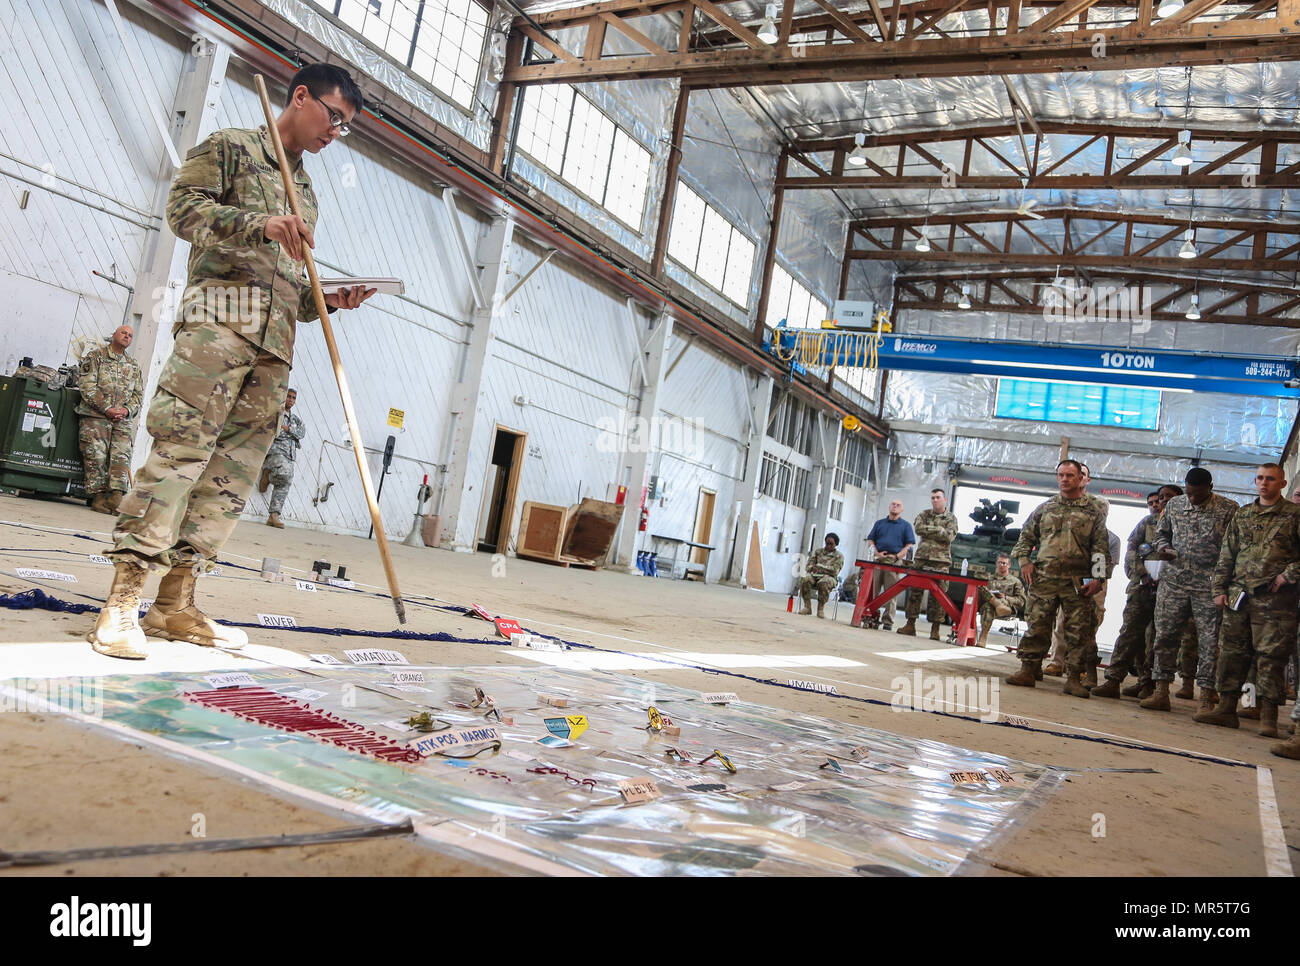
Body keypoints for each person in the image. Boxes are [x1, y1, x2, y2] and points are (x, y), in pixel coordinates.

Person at [86, 64, 377, 659]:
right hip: (217, 332)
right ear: (301, 97)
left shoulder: (307, 193)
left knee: (230, 479)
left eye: (345, 127)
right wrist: (260, 223)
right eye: (334, 118)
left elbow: (289, 290)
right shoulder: (231, 148)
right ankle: (121, 605)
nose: (335, 133)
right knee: (178, 458)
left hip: (272, 353)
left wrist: (328, 301)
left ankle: (174, 604)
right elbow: (182, 211)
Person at [1199, 463, 1300, 737]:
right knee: (1232, 654)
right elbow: (1227, 554)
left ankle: (1268, 716)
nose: (1264, 483)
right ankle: (1226, 709)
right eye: (1260, 478)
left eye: (1270, 479)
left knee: (1270, 658)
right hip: (1239, 597)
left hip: (1275, 601)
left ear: (1282, 483)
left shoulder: (1294, 516)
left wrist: (1289, 575)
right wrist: (1219, 588)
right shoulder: (1243, 514)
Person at [1005, 459, 1110, 697]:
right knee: (1037, 625)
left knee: (1078, 631)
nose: (1064, 479)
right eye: (1061, 475)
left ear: (1080, 479)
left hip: (1076, 583)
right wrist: (1025, 562)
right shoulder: (1045, 508)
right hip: (1044, 578)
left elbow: (1100, 548)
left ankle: (1073, 678)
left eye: (1070, 475)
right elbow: (1025, 538)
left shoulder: (1093, 512)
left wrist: (1098, 578)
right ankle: (1028, 670)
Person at [1143, 467, 1238, 713]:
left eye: (1198, 494)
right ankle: (1161, 691)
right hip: (1174, 582)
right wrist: (1163, 548)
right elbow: (1161, 534)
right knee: (1165, 635)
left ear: (1210, 488)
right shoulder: (1174, 505)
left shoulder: (1228, 509)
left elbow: (1234, 548)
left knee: (1210, 642)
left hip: (1209, 585)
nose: (1193, 498)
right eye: (1189, 493)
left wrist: (1225, 583)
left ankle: (1206, 696)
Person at [1045, 461, 1116, 685]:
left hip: (1094, 579)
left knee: (1090, 622)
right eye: (1063, 475)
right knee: (1062, 619)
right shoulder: (1057, 508)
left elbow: (1105, 559)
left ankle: (1081, 666)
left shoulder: (1109, 534)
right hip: (1069, 576)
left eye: (1081, 475)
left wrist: (1098, 578)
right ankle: (1057, 661)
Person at [1093, 489, 1168, 699]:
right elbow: (1132, 549)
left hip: (1169, 591)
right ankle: (1113, 680)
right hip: (1142, 588)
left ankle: (1149, 685)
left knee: (1157, 639)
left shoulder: (1184, 525)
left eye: (1164, 499)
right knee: (1130, 634)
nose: (1159, 504)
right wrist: (1141, 574)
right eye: (1156, 500)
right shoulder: (1148, 523)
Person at [76, 325, 143, 514]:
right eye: (123, 333)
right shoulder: (95, 357)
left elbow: (138, 394)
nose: (127, 336)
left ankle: (116, 498)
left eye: (130, 335)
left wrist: (126, 410)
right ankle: (98, 499)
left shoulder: (133, 364)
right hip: (96, 417)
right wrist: (107, 408)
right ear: (114, 335)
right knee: (95, 456)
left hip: (122, 420)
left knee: (121, 456)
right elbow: (87, 386)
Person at [898, 488, 957, 640]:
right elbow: (918, 529)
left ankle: (935, 629)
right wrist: (939, 529)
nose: (935, 500)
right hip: (921, 559)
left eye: (938, 497)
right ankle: (910, 625)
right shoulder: (924, 514)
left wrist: (929, 530)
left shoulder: (951, 518)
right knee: (915, 593)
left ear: (945, 500)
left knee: (939, 596)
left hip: (941, 561)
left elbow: (949, 536)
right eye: (933, 498)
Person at [258, 387, 305, 528]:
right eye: (289, 396)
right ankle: (268, 473)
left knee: (286, 482)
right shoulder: (276, 413)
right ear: (284, 397)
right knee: (284, 473)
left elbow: (302, 433)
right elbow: (276, 432)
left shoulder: (295, 419)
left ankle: (273, 516)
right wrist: (291, 433)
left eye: (293, 398)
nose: (291, 399)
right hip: (275, 451)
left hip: (289, 454)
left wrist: (288, 429)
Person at [865, 499, 916, 629]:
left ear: (902, 509)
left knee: (891, 592)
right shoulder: (879, 523)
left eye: (898, 505)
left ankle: (888, 621)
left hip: (894, 563)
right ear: (889, 507)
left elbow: (909, 545)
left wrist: (897, 556)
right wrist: (877, 553)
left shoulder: (906, 526)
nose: (895, 506)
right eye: (893, 504)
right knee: (873, 590)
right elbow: (871, 540)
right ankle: (870, 616)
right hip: (878, 561)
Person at [976, 553, 1026, 646]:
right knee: (984, 596)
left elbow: (1021, 601)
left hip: (1007, 610)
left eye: (1004, 563)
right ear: (996, 563)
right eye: (999, 562)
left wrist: (1006, 597)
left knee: (1002, 601)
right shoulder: (989, 579)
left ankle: (999, 604)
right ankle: (983, 636)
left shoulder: (1015, 581)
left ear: (1009, 565)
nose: (1001, 565)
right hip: (990, 608)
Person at [797, 533, 844, 619]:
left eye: (831, 544)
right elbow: (808, 566)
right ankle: (807, 607)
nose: (828, 546)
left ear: (836, 544)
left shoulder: (839, 556)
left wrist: (820, 567)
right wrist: (813, 568)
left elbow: (835, 571)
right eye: (827, 543)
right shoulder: (818, 552)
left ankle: (820, 609)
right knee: (805, 578)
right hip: (815, 575)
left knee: (824, 582)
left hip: (829, 577)